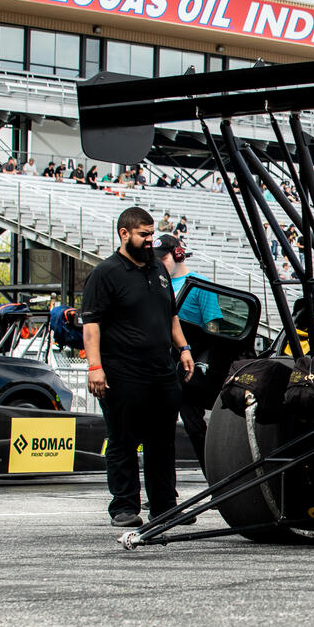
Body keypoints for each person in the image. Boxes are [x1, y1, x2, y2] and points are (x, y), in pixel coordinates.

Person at [81, 209, 194, 528]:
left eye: (151, 233)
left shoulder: (158, 269)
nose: (149, 240)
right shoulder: (105, 273)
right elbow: (91, 326)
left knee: (162, 441)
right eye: (143, 234)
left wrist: (183, 348)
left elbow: (171, 316)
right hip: (121, 373)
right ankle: (125, 507)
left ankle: (164, 507)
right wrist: (95, 367)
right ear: (123, 234)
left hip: (161, 371)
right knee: (123, 439)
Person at [155, 234, 222, 477]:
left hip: (188, 363)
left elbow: (213, 327)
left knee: (194, 426)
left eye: (163, 258)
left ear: (178, 254)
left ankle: (215, 481)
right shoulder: (156, 282)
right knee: (159, 430)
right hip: (162, 363)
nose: (160, 264)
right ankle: (163, 492)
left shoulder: (199, 284)